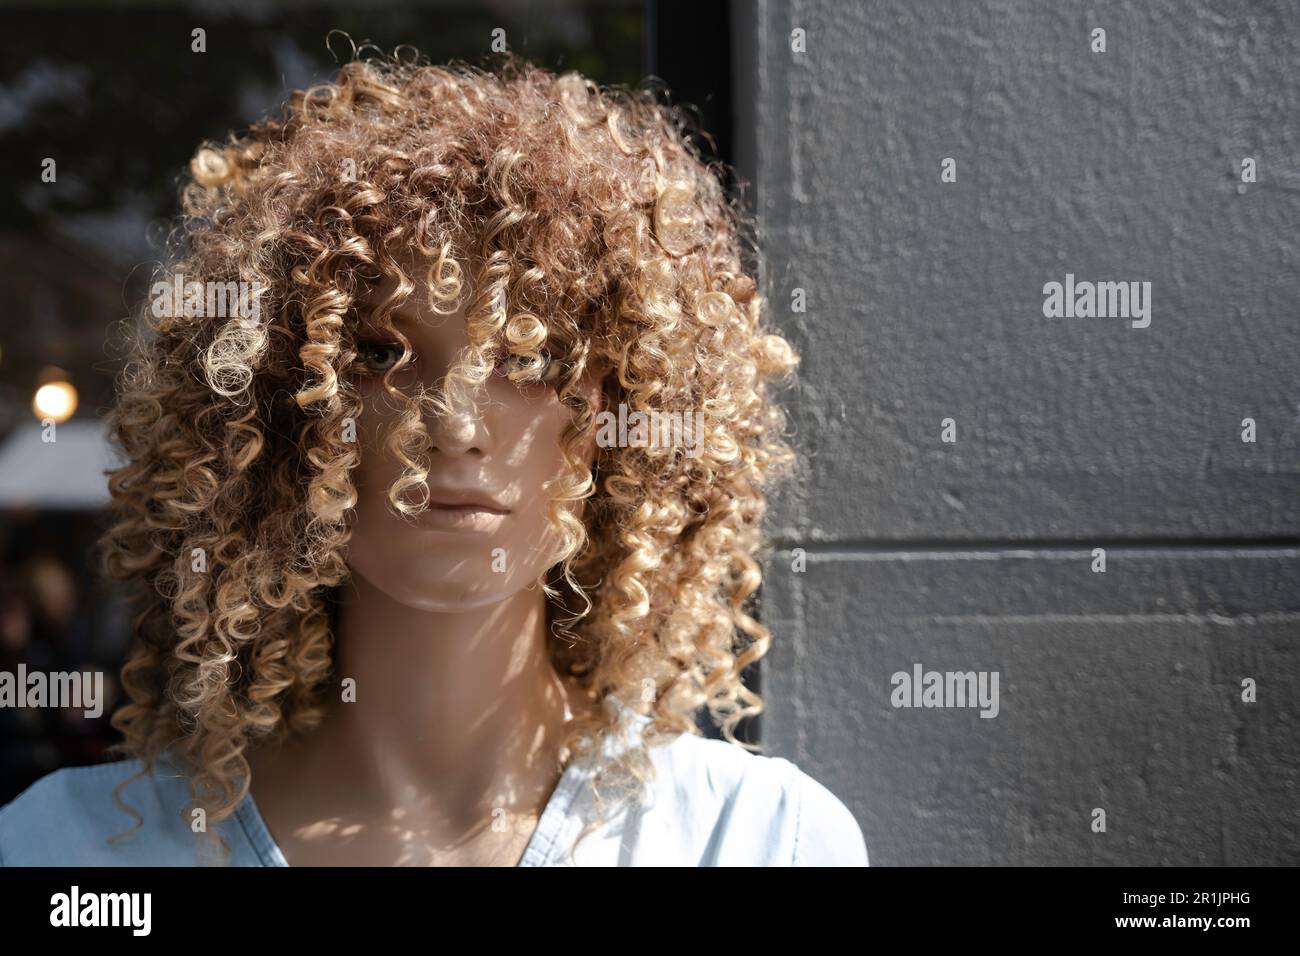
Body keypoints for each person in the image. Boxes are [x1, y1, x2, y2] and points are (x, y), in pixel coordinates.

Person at [0, 49, 867, 867]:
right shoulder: (66, 850)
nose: (455, 425)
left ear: (624, 410)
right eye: (378, 353)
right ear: (274, 406)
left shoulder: (757, 842)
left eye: (531, 362)